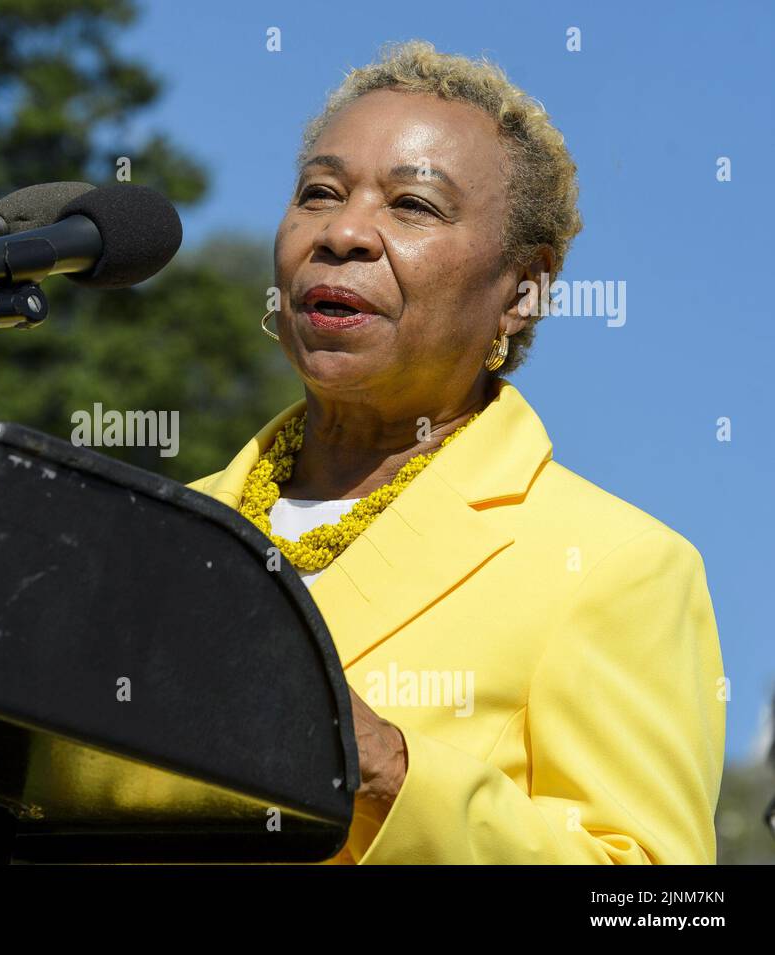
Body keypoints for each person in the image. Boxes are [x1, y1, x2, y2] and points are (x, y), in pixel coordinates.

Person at [188, 40, 725, 864]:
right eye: (319, 193)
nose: (344, 232)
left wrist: (389, 774)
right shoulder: (157, 532)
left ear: (524, 290)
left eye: (413, 206)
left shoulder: (618, 567)